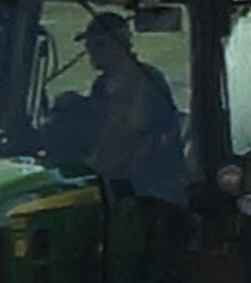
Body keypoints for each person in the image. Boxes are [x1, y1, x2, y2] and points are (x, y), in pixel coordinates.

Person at [65, 10, 188, 192]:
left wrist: (93, 170)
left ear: (121, 45)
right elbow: (98, 124)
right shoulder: (101, 85)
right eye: (89, 45)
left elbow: (128, 134)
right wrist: (75, 104)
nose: (91, 51)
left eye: (99, 45)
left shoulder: (146, 81)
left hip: (147, 184)